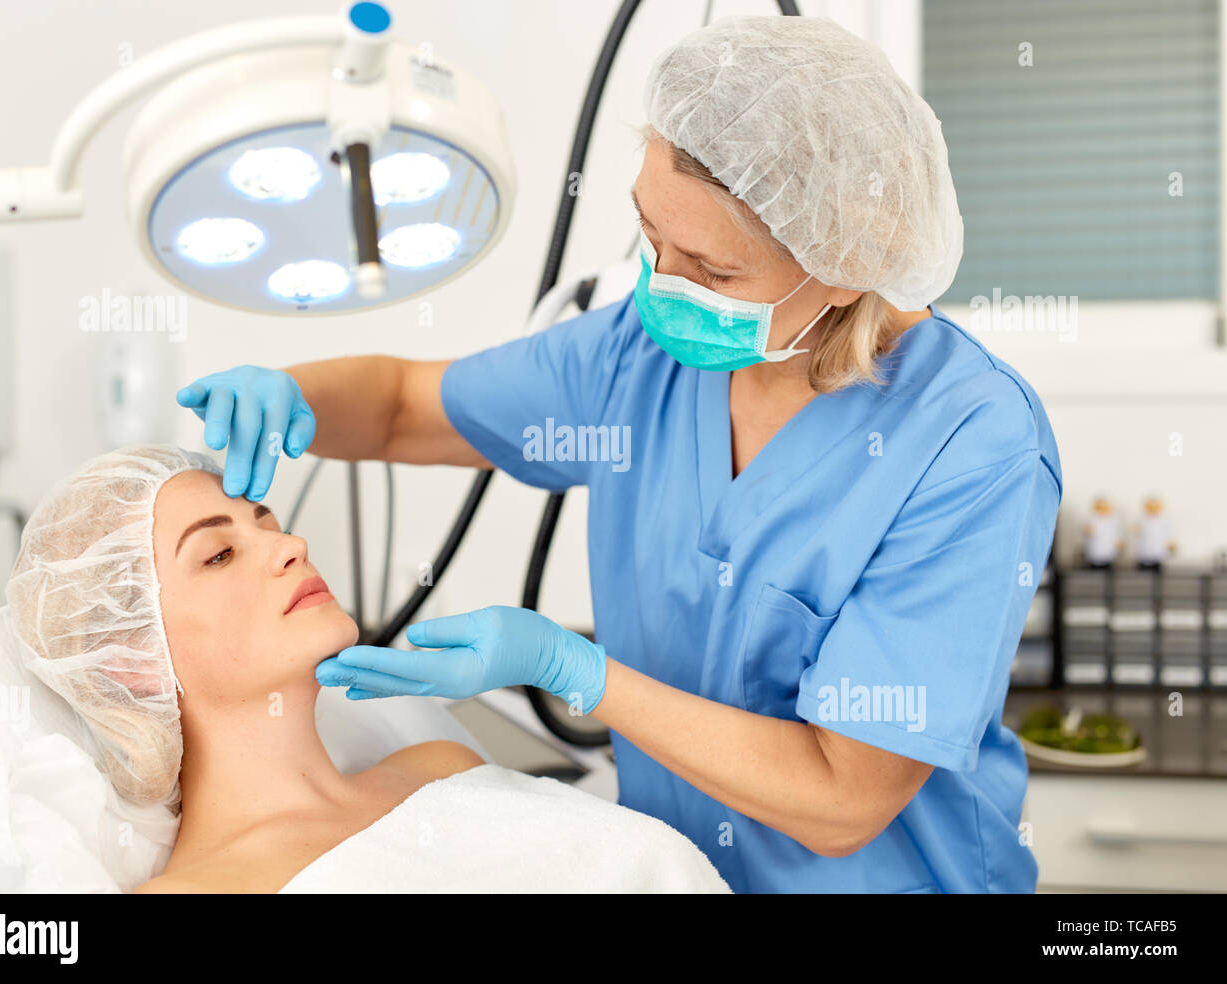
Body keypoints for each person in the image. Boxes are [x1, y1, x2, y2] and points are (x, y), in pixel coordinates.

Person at [177, 16, 1062, 892]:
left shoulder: (969, 442)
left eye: (713, 272)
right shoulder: (637, 357)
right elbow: (406, 408)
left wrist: (573, 670)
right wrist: (290, 391)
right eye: (650, 238)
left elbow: (842, 797)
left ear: (848, 259)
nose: (663, 286)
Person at [2, 444, 728, 893]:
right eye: (218, 554)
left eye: (266, 522)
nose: (290, 547)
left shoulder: (441, 768)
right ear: (131, 659)